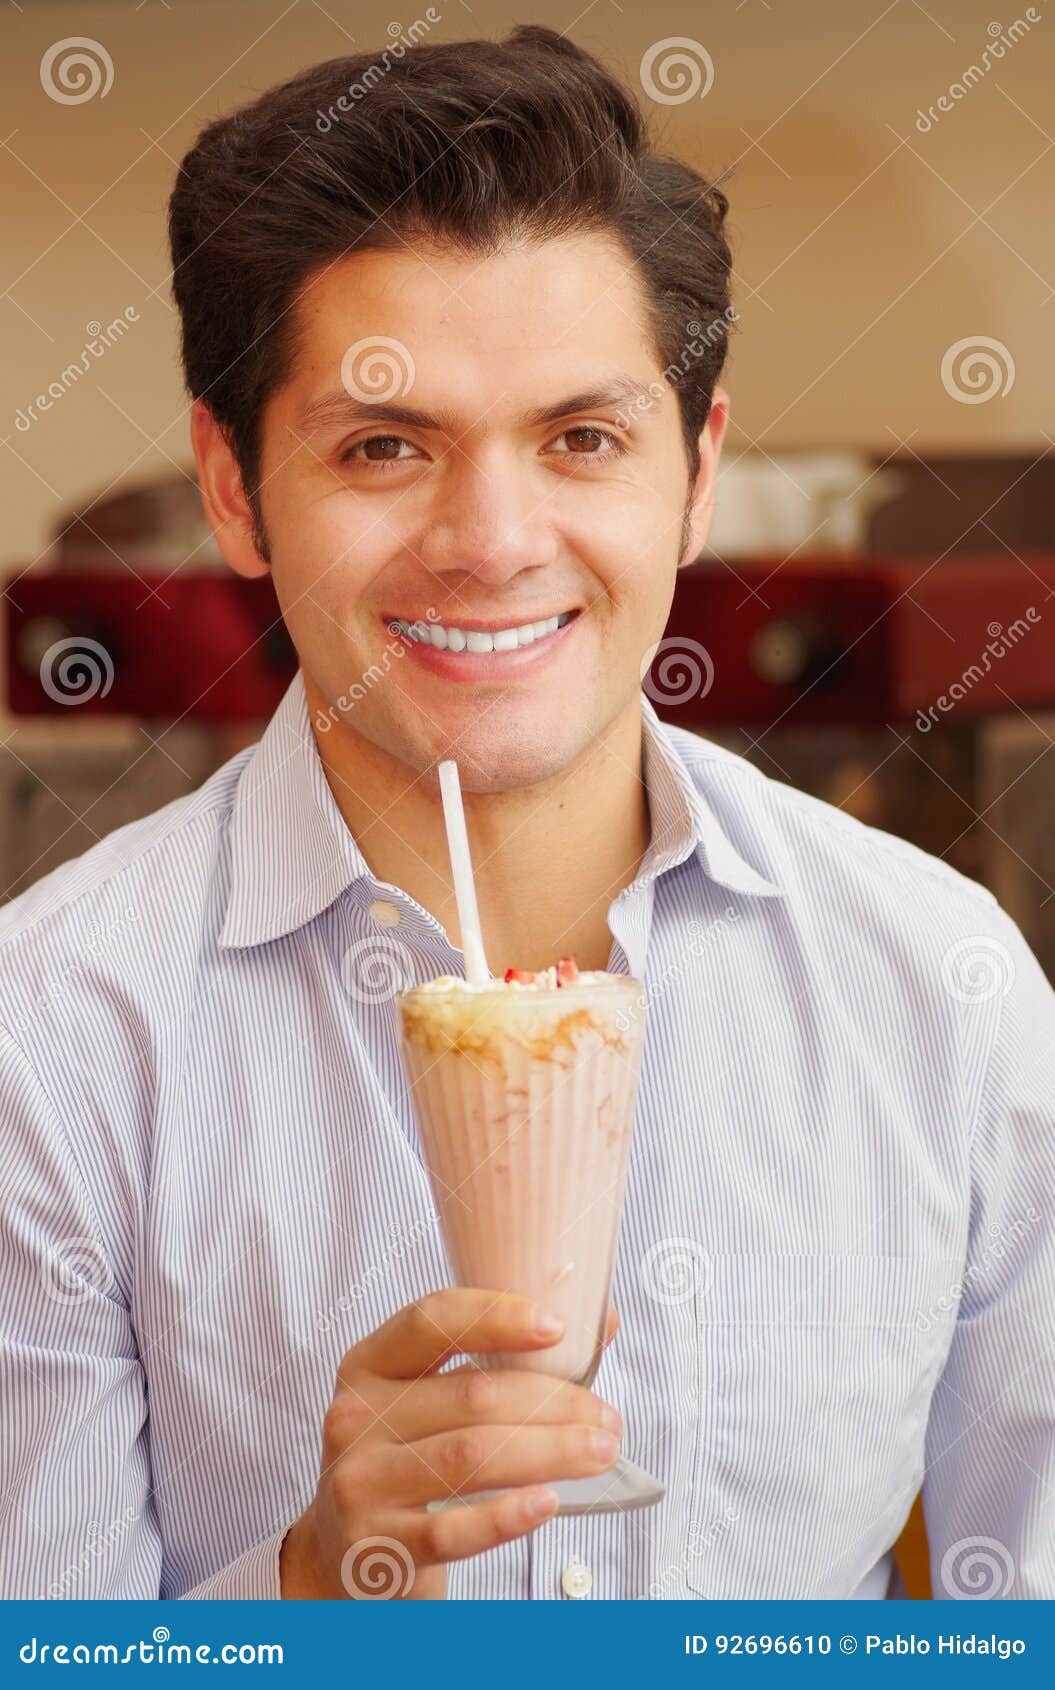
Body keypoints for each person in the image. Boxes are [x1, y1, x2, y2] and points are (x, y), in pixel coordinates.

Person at [1, 24, 1052, 1603]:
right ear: (232, 487)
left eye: (581, 439)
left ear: (693, 474)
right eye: (382, 445)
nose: (491, 541)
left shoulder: (940, 986)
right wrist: (304, 1591)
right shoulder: (52, 1039)